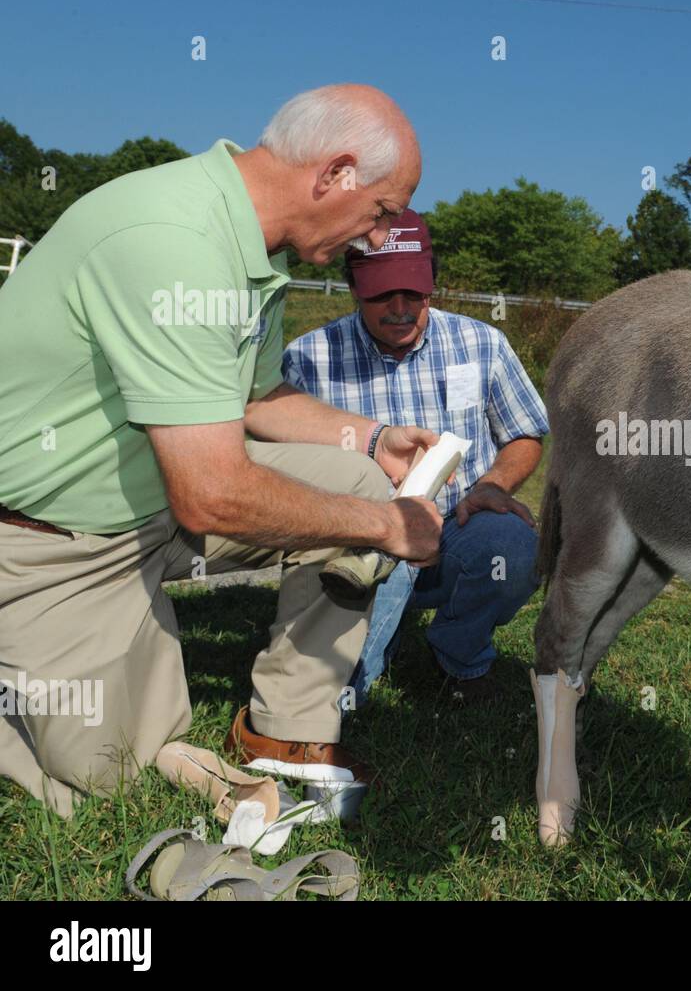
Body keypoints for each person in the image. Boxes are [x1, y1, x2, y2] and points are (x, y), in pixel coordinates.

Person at [0, 84, 443, 815]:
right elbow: (212, 492)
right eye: (382, 211)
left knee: (362, 481)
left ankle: (287, 732)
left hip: (151, 508)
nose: (375, 236)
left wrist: (372, 438)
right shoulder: (173, 239)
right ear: (335, 174)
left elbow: (254, 398)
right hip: (50, 540)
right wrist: (388, 528)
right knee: (113, 779)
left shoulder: (255, 252)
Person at [282, 210, 548, 702]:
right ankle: (350, 673)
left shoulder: (481, 343)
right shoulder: (308, 359)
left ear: (432, 285)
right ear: (353, 287)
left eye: (415, 293)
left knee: (513, 549)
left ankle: (458, 654)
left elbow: (525, 434)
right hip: (355, 535)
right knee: (340, 691)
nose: (401, 308)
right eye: (382, 294)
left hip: (455, 530)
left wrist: (492, 485)